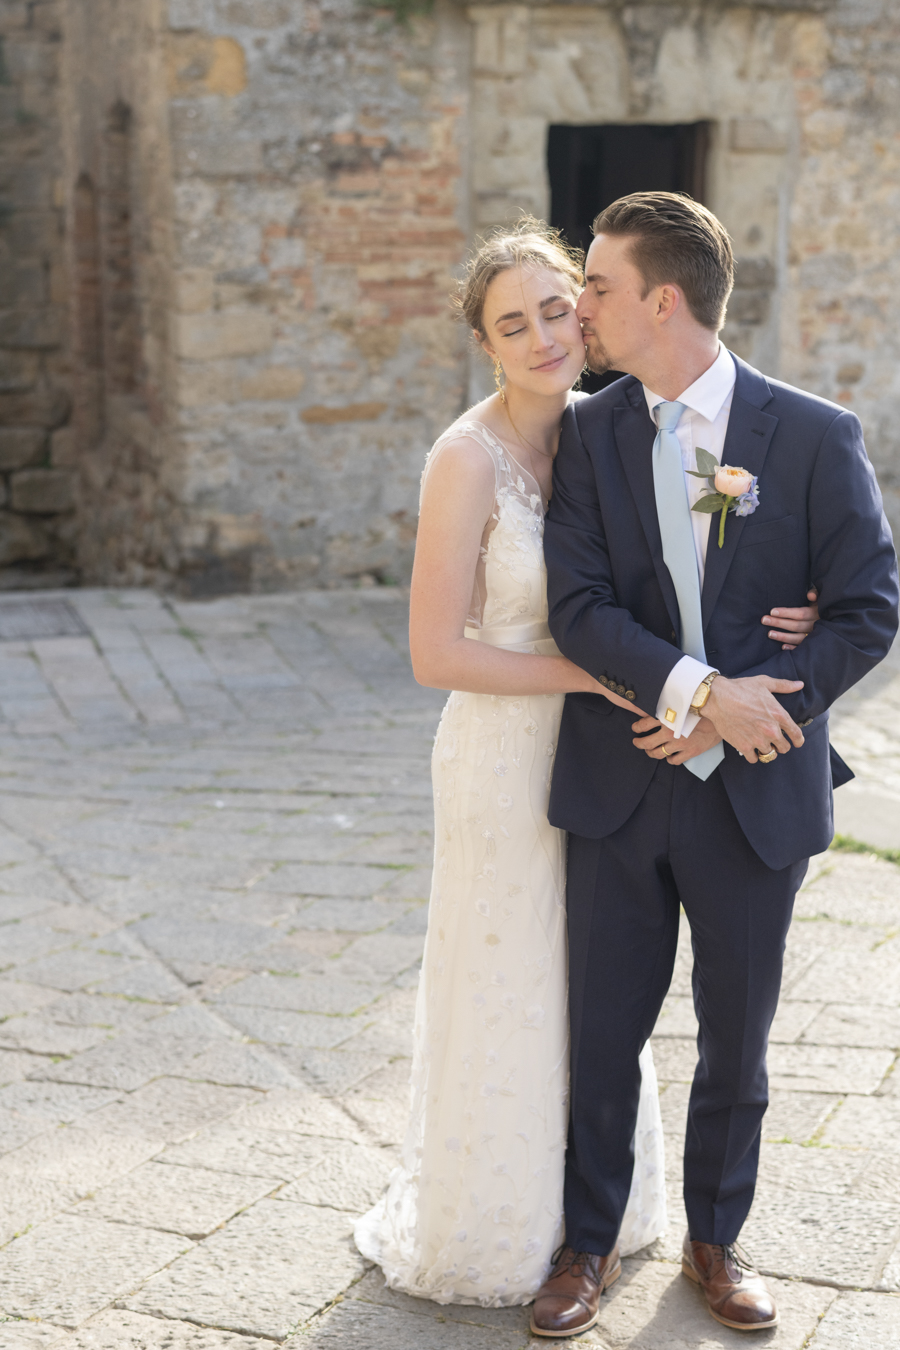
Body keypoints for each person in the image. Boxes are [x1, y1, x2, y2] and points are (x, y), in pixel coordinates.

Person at [354, 219, 820, 1309]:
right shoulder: (467, 457)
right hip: (525, 751)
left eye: (559, 308)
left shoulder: (621, 426)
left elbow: (725, 570)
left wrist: (795, 621)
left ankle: (647, 1225)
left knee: (617, 1004)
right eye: (512, 324)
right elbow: (442, 649)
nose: (544, 336)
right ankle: (523, 1227)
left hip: (639, 746)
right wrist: (613, 683)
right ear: (486, 343)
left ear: (593, 307)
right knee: (523, 983)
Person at [532, 193, 900, 1337]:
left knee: (737, 1041)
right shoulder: (587, 433)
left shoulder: (813, 434)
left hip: (754, 791)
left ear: (662, 299)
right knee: (600, 1031)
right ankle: (585, 1247)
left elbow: (869, 608)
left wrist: (760, 710)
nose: (578, 306)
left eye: (594, 285)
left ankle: (715, 1240)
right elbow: (580, 610)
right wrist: (699, 695)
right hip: (621, 779)